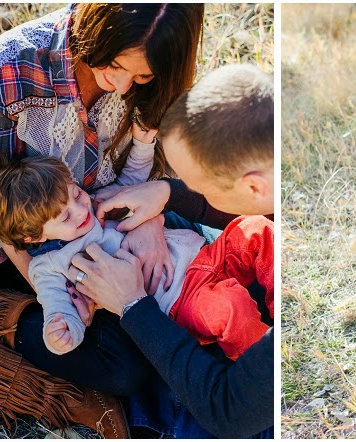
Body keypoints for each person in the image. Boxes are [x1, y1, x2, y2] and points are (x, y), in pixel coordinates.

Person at [0, 4, 203, 437]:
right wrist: (61, 295)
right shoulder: (7, 72)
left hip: (122, 212)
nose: (122, 85)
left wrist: (149, 227)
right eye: (115, 65)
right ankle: (4, 319)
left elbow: (160, 168)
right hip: (33, 250)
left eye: (139, 77)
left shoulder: (159, 69)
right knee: (126, 368)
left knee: (195, 265)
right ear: (97, 28)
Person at [68, 63, 275, 438]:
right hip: (192, 282)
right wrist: (166, 193)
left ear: (255, 188)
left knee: (243, 272)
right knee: (252, 238)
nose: (197, 195)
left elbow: (231, 415)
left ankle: (245, 354)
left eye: (202, 188)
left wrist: (132, 303)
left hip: (192, 283)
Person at [0, 156, 272, 360]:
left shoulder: (97, 207)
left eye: (75, 194)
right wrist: (61, 333)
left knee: (256, 228)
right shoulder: (49, 266)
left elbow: (135, 183)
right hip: (181, 298)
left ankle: (281, 300)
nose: (80, 209)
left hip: (205, 255)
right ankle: (262, 366)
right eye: (65, 216)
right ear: (34, 237)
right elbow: (59, 307)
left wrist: (143, 144)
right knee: (229, 306)